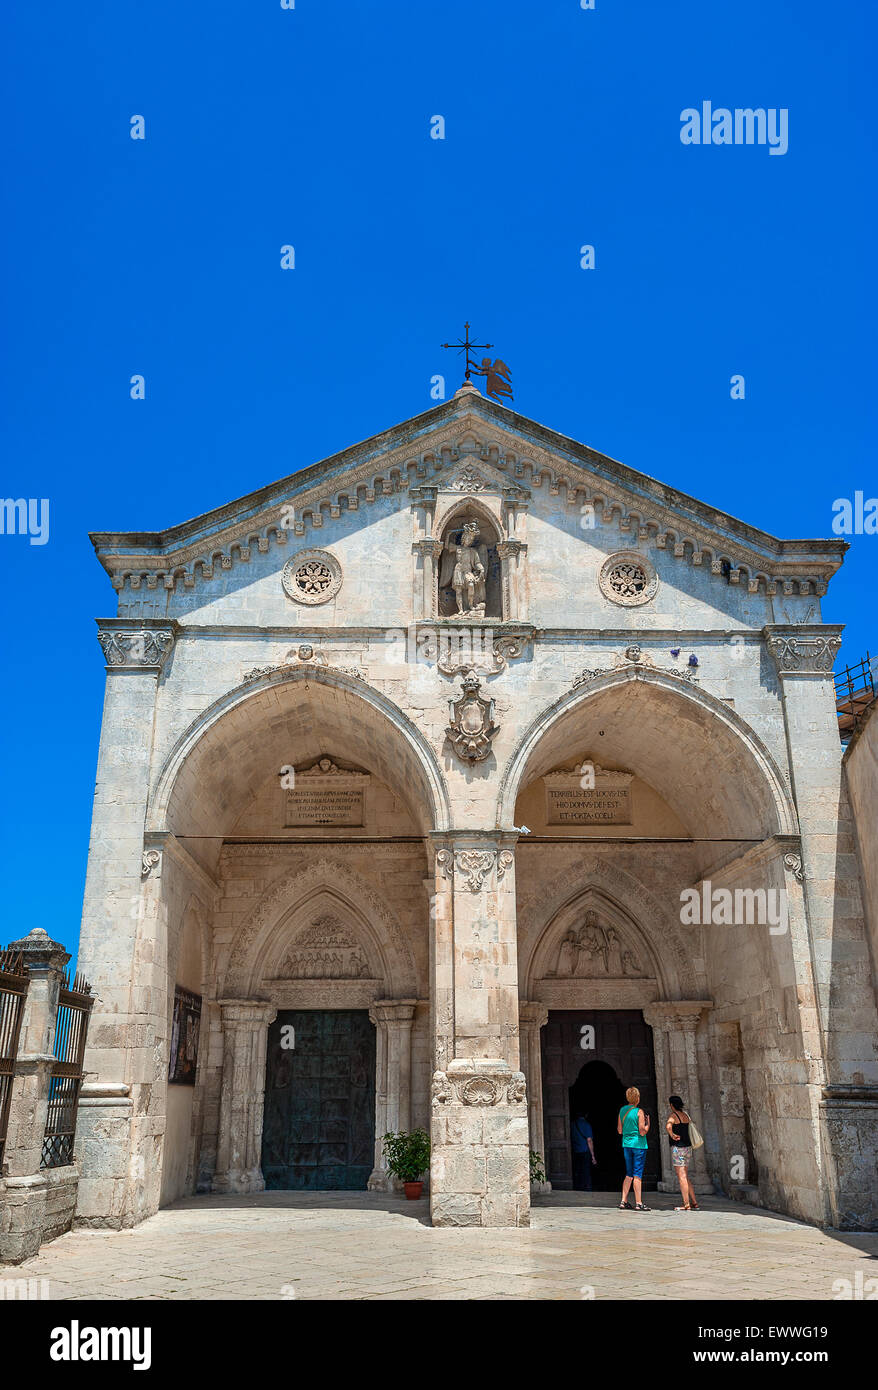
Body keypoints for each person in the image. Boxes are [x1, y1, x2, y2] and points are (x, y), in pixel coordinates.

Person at [618, 1085, 650, 1210]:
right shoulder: (639, 1112)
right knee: (637, 1174)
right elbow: (642, 1132)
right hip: (638, 1145)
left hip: (626, 1145)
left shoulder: (622, 1110)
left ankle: (623, 1201)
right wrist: (648, 1125)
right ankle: (639, 1203)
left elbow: (620, 1130)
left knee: (629, 1174)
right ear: (637, 1098)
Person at [666, 1094, 700, 1211]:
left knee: (681, 1176)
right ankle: (694, 1202)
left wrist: (672, 1134)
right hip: (687, 1148)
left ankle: (686, 1204)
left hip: (678, 1148)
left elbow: (668, 1126)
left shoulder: (674, 1116)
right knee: (685, 1175)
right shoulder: (686, 1115)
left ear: (671, 1105)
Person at [570, 1112, 597, 1191]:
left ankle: (578, 1187)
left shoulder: (572, 1124)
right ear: (586, 1115)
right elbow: (589, 1140)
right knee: (586, 1171)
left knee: (577, 1170)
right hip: (584, 1151)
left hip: (575, 1150)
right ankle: (587, 1188)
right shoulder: (586, 1125)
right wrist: (593, 1156)